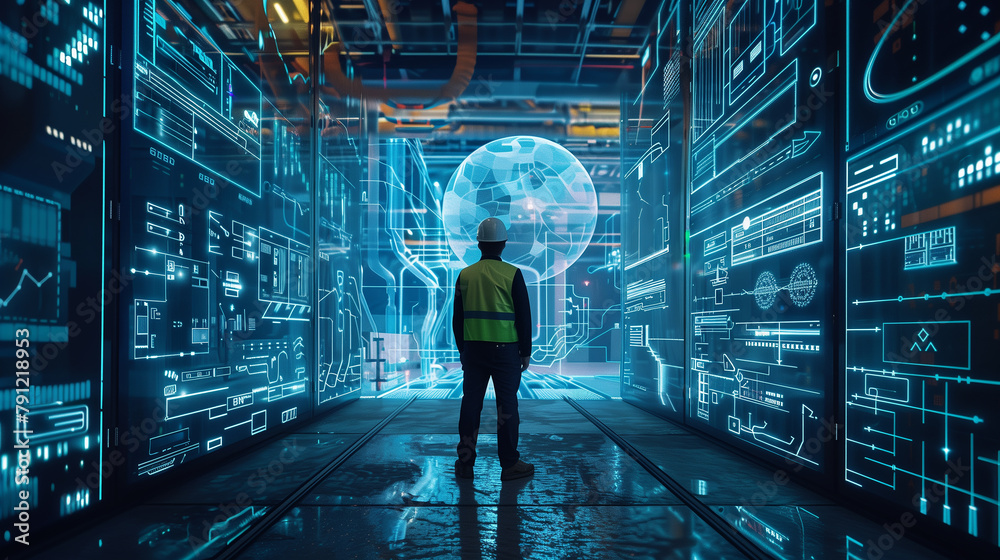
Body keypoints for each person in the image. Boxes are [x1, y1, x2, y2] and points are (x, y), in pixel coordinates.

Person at [453, 217, 534, 481]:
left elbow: (458, 318)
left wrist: (462, 349)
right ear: (503, 244)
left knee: (471, 405)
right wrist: (525, 351)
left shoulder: (465, 275)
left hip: (474, 350)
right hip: (506, 351)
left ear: (479, 244)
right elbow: (523, 316)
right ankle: (509, 464)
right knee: (507, 406)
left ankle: (465, 463)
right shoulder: (512, 274)